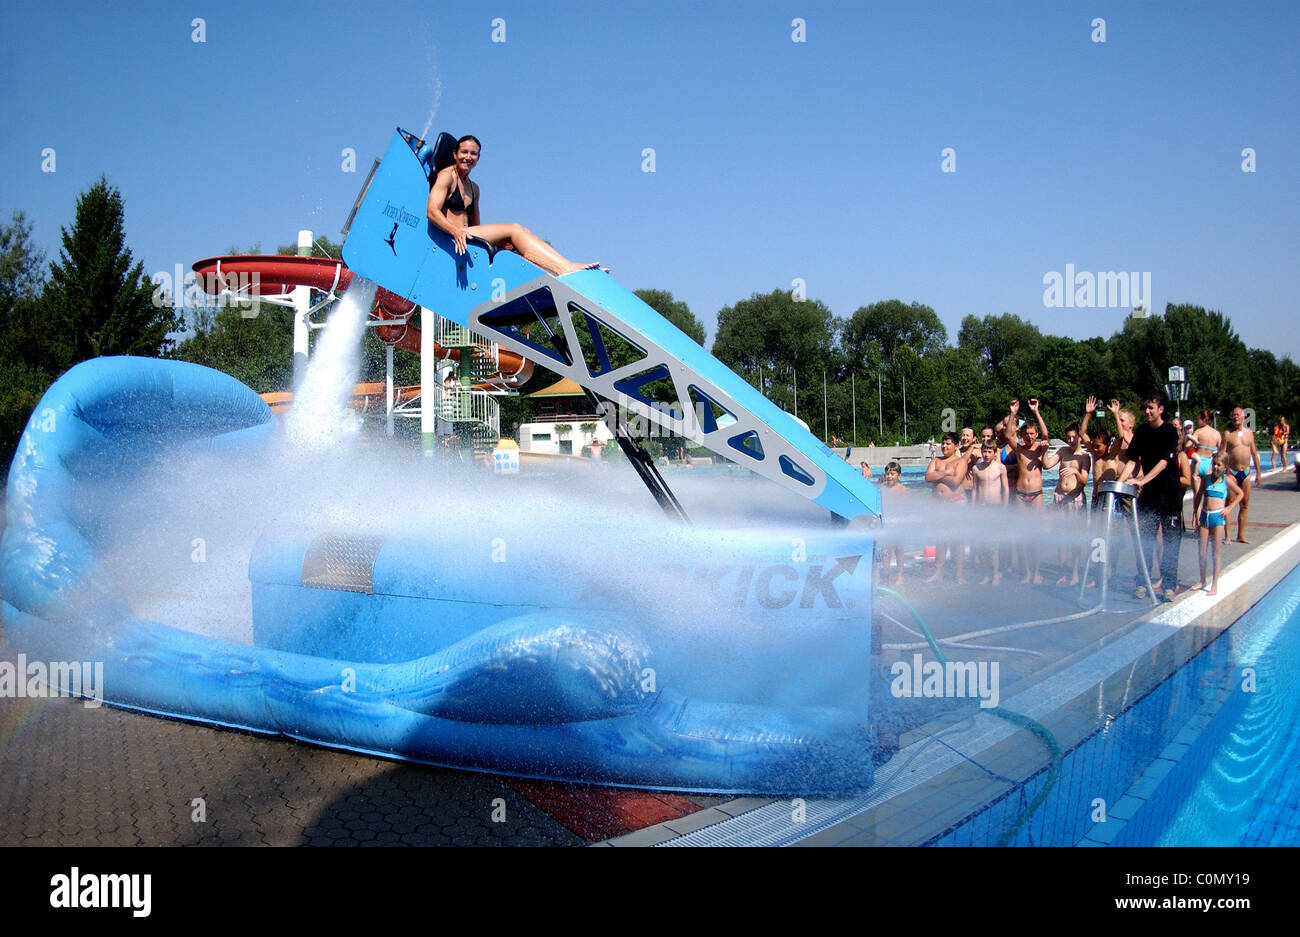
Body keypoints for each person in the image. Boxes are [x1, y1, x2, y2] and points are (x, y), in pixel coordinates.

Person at [426, 135, 602, 276]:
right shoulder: (446, 176)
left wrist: (499, 244)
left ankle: (559, 272)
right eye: (464, 152)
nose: (468, 157)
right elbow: (432, 211)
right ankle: (565, 267)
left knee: (518, 239)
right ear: (454, 154)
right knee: (515, 229)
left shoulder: (474, 188)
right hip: (451, 236)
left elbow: (477, 226)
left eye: (473, 154)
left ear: (478, 158)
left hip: (469, 237)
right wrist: (455, 231)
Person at [1118, 394, 1183, 600]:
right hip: (1149, 497)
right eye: (1145, 408)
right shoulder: (1142, 432)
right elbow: (1132, 462)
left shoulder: (1170, 432)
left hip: (1169, 495)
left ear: (1161, 409)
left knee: (1171, 542)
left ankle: (1169, 586)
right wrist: (1119, 483)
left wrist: (1141, 481)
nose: (1147, 412)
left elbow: (1164, 463)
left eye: (1151, 408)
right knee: (1145, 540)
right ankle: (1143, 581)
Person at [1003, 399, 1051, 584]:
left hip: (1036, 495)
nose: (1029, 437)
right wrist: (1013, 412)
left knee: (1036, 535)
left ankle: (1037, 572)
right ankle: (1028, 572)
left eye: (1032, 434)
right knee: (1024, 534)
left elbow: (1046, 433)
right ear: (1022, 434)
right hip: (1022, 496)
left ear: (1036, 434)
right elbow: (1008, 435)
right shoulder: (1020, 449)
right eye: (1026, 434)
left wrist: (1036, 411)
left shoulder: (1040, 449)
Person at [1193, 452, 1243, 595]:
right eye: (1214, 464)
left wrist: (1229, 508)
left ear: (1225, 467)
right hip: (1205, 516)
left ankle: (1214, 584)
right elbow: (1199, 495)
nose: (1215, 467)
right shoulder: (1206, 478)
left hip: (1217, 518)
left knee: (1215, 553)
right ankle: (1202, 580)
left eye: (1218, 465)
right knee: (1202, 552)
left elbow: (1240, 494)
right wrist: (1195, 512)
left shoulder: (1226, 481)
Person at [923, 432, 968, 584]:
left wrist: (938, 474)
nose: (944, 446)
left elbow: (955, 481)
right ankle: (938, 572)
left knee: (957, 541)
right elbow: (927, 477)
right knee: (940, 540)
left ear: (956, 446)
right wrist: (945, 473)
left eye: (948, 444)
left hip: (955, 503)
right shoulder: (936, 460)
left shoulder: (960, 461)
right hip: (939, 506)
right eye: (943, 443)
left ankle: (959, 574)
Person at [1051, 422, 1091, 585]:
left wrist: (1075, 471)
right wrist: (1044, 448)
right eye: (1068, 438)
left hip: (1075, 498)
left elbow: (1084, 481)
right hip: (1060, 497)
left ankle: (1075, 573)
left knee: (1075, 537)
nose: (1071, 440)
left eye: (1074, 437)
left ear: (1079, 437)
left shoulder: (1084, 456)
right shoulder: (1063, 451)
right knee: (1061, 537)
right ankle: (1062, 572)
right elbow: (1047, 465)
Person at [970, 439, 1009, 584]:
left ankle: (995, 573)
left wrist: (1004, 509)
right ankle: (986, 573)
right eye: (984, 451)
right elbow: (974, 490)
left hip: (995, 510)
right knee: (982, 545)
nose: (986, 454)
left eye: (989, 452)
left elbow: (1005, 490)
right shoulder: (976, 468)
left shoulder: (1000, 468)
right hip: (982, 509)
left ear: (994, 453)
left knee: (994, 546)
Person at [1221, 407, 1262, 544]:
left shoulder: (1249, 433)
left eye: (1238, 415)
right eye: (1233, 415)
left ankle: (1241, 535)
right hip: (1232, 472)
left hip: (1246, 473)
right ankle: (1227, 536)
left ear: (1244, 417)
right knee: (1230, 503)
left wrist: (1259, 474)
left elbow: (1254, 454)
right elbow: (1222, 455)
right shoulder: (1227, 434)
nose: (1235, 417)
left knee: (1244, 504)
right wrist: (1219, 473)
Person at [877, 461, 908, 585]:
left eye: (893, 474)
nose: (889, 476)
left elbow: (905, 507)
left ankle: (900, 575)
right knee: (886, 551)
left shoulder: (901, 489)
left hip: (898, 524)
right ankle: (886, 575)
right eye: (887, 474)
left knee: (899, 550)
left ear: (899, 476)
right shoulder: (881, 488)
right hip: (886, 523)